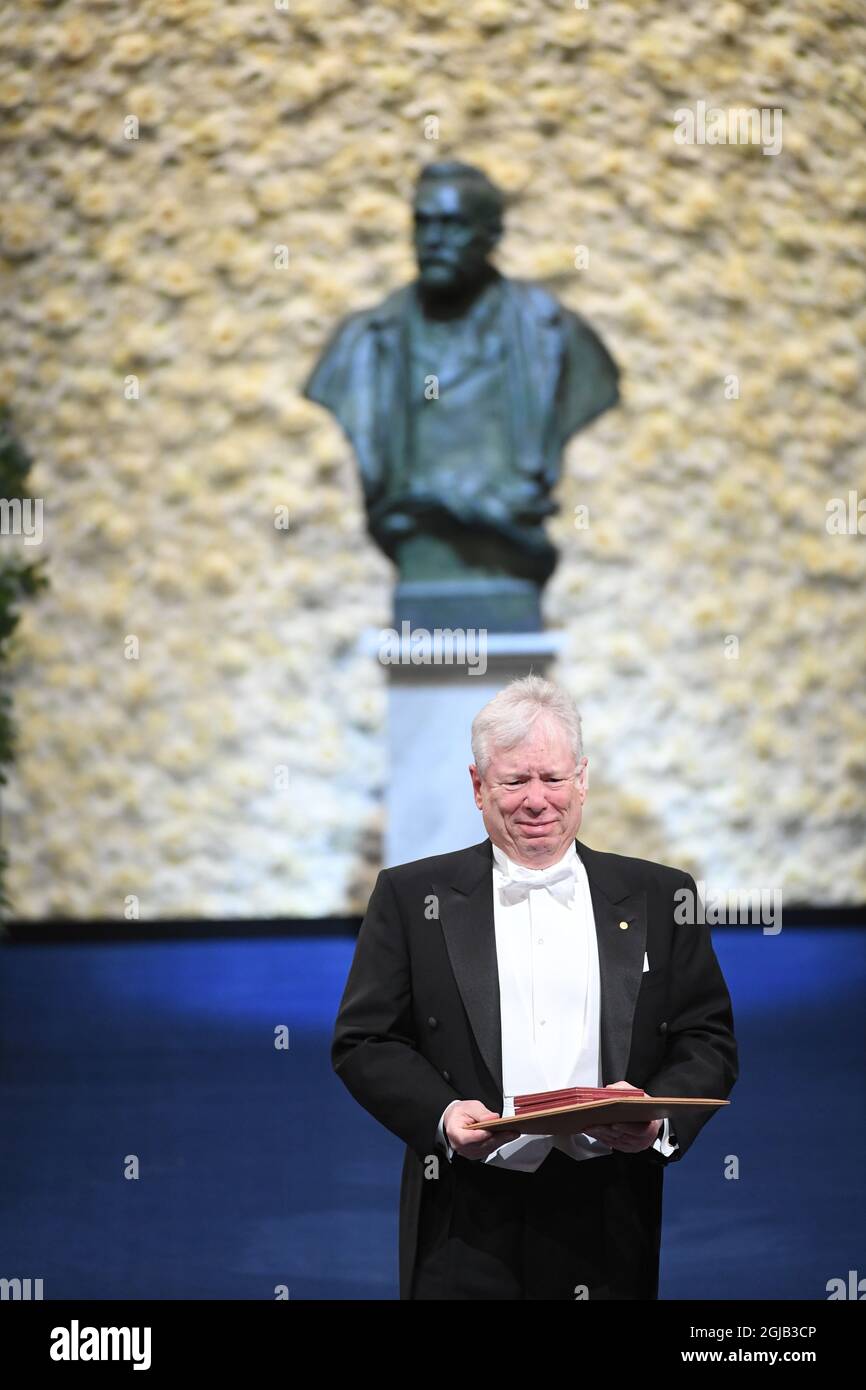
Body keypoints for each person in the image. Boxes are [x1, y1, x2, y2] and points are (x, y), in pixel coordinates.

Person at [331, 676, 738, 1299]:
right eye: (514, 781)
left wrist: (654, 1117)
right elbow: (365, 1041)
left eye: (552, 778)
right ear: (477, 787)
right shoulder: (412, 897)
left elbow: (706, 1037)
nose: (536, 800)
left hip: (610, 1204)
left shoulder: (664, 895)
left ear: (582, 779)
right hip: (463, 1209)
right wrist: (440, 1116)